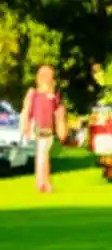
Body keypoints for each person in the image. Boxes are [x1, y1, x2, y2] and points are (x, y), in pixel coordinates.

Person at [19, 65, 66, 193]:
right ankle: (43, 183)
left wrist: (61, 129)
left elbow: (59, 113)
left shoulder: (53, 95)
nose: (50, 79)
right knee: (42, 153)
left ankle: (43, 181)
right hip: (38, 126)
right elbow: (26, 110)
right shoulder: (33, 93)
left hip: (48, 128)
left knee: (43, 154)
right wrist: (25, 126)